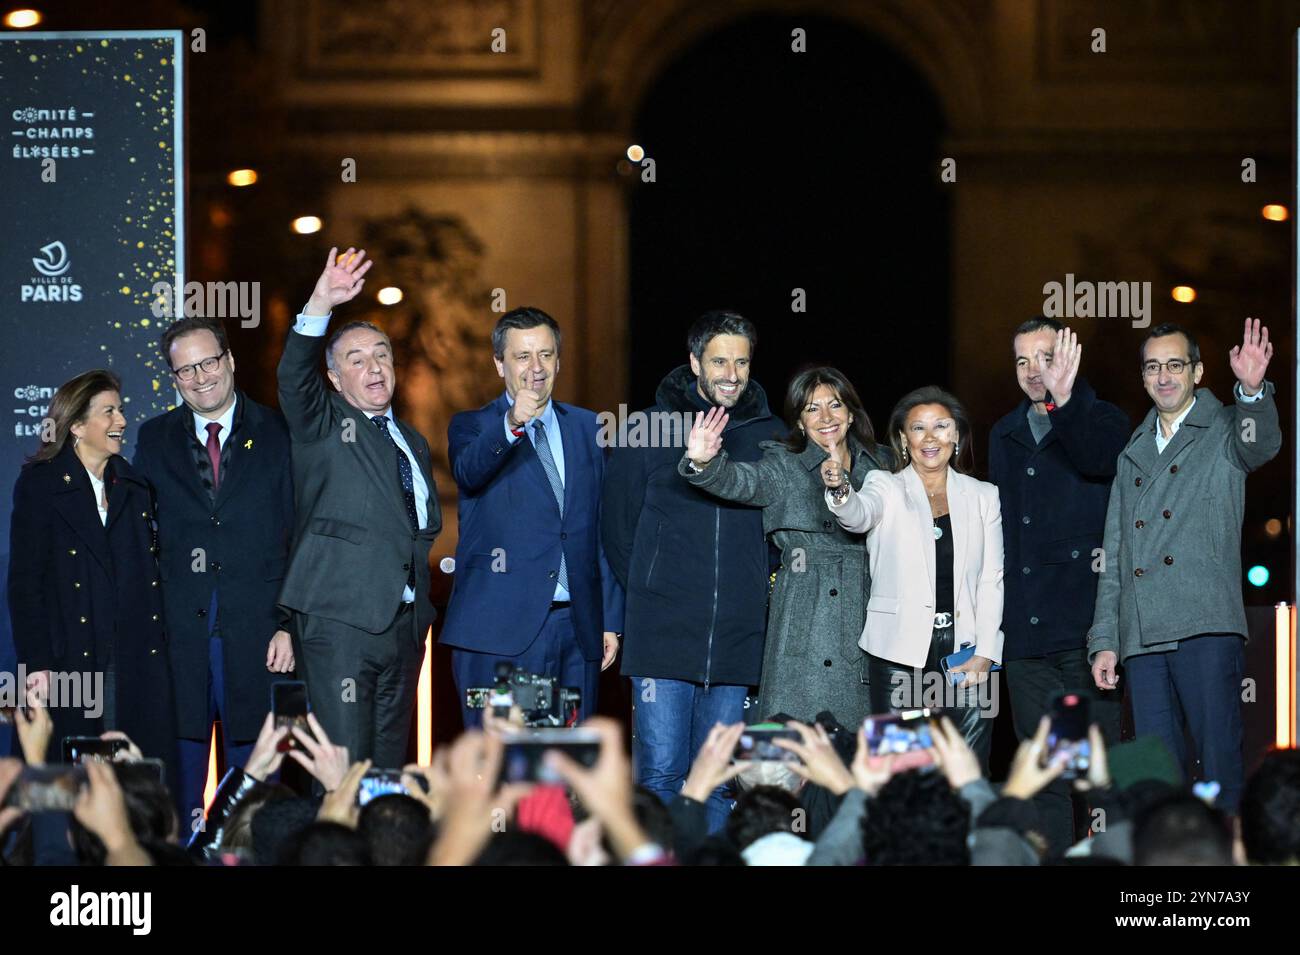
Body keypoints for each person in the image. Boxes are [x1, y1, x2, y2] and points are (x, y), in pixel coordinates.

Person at [1089, 318, 1280, 813]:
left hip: (1205, 625)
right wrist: (1106, 639)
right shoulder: (1131, 451)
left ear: (1197, 371)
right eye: (1153, 367)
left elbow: (1260, 445)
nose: (1164, 376)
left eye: (1175, 364)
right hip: (1143, 637)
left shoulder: (1225, 427)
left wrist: (1254, 391)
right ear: (1143, 377)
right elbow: (1114, 556)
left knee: (1219, 770)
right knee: (1154, 780)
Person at [602, 310, 778, 831]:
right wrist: (654, 597)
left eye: (741, 362)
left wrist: (750, 590)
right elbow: (617, 530)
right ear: (694, 361)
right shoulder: (644, 430)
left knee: (721, 780)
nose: (731, 373)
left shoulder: (770, 435)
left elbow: (780, 531)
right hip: (661, 639)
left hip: (736, 640)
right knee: (659, 776)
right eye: (719, 360)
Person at [276, 247, 442, 767]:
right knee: (341, 770)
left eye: (382, 355)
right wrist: (321, 300)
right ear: (333, 379)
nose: (374, 367)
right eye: (356, 359)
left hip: (405, 630)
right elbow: (292, 377)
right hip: (341, 625)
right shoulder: (322, 425)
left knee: (384, 774)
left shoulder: (411, 441)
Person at [132, 316, 297, 828]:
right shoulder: (153, 437)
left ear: (230, 361)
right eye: (186, 370)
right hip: (180, 635)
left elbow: (301, 532)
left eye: (208, 363)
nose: (201, 377)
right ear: (174, 379)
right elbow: (142, 536)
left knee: (255, 787)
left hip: (261, 633)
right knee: (175, 788)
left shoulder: (279, 431)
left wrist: (289, 622)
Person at [441, 307, 624, 726]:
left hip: (577, 632)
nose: (536, 368)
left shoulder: (587, 427)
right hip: (502, 633)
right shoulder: (473, 426)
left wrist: (609, 619)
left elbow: (601, 527)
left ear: (558, 361)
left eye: (546, 354)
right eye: (522, 356)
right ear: (499, 362)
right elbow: (469, 472)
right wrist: (512, 422)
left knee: (568, 768)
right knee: (507, 770)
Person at [680, 366, 892, 726]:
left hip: (867, 608)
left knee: (862, 748)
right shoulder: (783, 463)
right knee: (790, 748)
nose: (825, 417)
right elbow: (739, 481)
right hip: (802, 614)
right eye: (811, 409)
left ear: (851, 413)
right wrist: (703, 461)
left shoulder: (884, 464)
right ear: (798, 422)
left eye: (835, 405)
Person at [987, 318, 1128, 857]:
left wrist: (1067, 401)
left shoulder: (1104, 419)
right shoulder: (1004, 432)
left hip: (1088, 633)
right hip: (1026, 637)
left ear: (1069, 359)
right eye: (1021, 361)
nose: (1032, 371)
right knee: (1041, 772)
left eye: (1044, 357)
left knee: (1099, 771)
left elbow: (1097, 460)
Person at [7, 369, 179, 781]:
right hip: (68, 661)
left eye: (119, 410)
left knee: (127, 772)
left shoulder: (134, 486)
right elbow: (25, 583)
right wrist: (38, 664)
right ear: (78, 426)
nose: (121, 420)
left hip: (129, 658)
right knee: (69, 777)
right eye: (109, 412)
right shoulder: (41, 484)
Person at [822, 385, 1003, 764]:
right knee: (899, 771)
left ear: (956, 434)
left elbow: (991, 579)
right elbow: (858, 515)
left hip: (965, 652)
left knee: (967, 770)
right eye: (918, 428)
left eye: (941, 426)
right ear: (904, 439)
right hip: (898, 653)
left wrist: (986, 652)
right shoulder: (883, 486)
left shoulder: (984, 495)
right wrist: (839, 488)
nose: (931, 437)